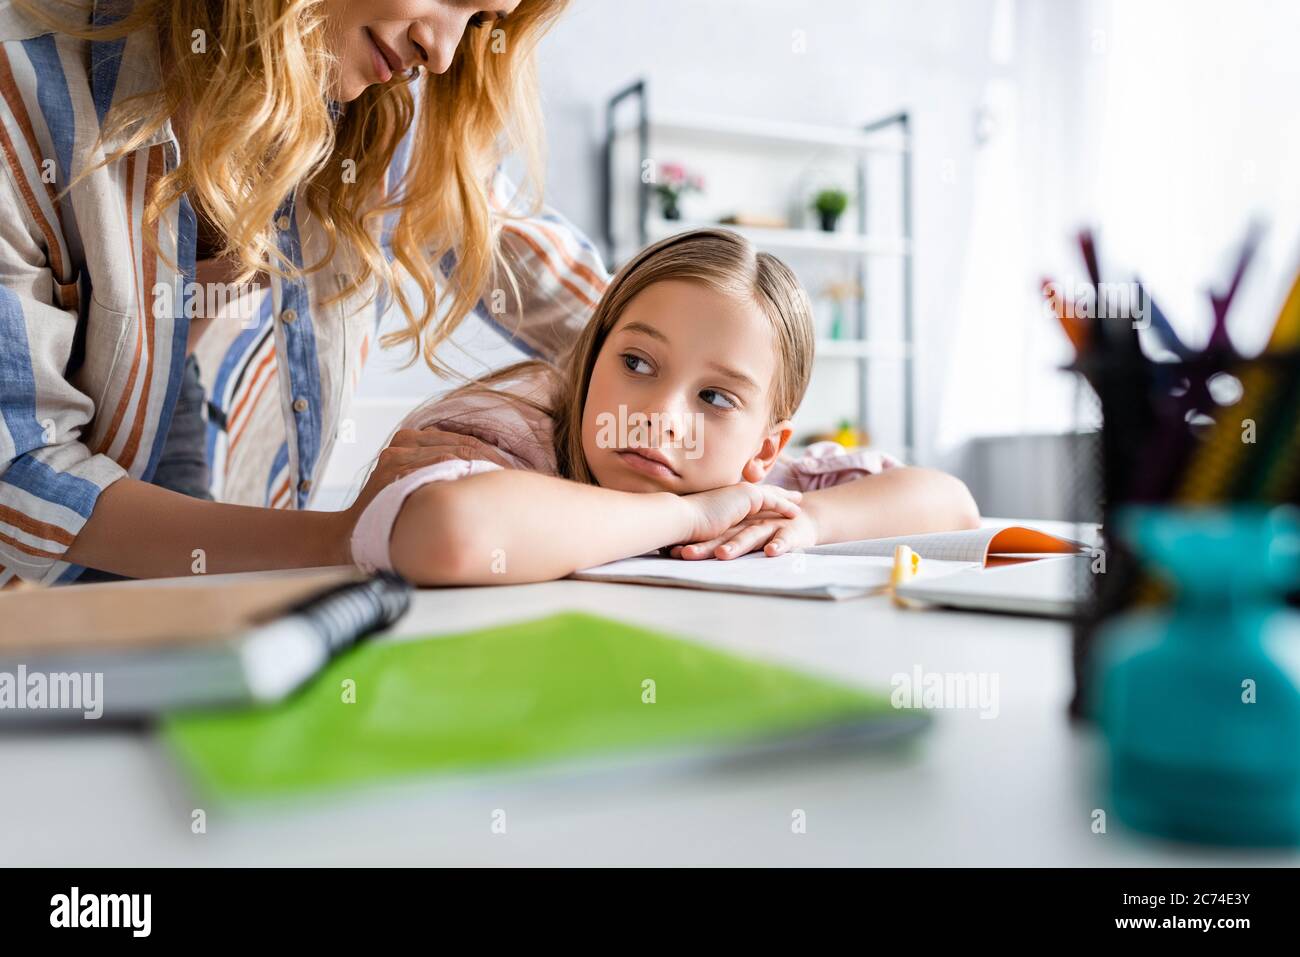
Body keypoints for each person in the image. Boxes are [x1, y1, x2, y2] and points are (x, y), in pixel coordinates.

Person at [0, 0, 606, 586]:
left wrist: (689, 424)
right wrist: (342, 539)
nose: (443, 54)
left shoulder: (379, 113)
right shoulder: (23, 87)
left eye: (478, 20)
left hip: (176, 424)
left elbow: (553, 284)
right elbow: (18, 473)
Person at [348, 229, 981, 585]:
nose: (662, 417)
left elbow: (951, 504)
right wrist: (688, 516)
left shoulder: (761, 500)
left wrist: (812, 520)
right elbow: (451, 535)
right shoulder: (517, 441)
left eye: (714, 397)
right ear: (592, 359)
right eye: (637, 364)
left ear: (765, 448)